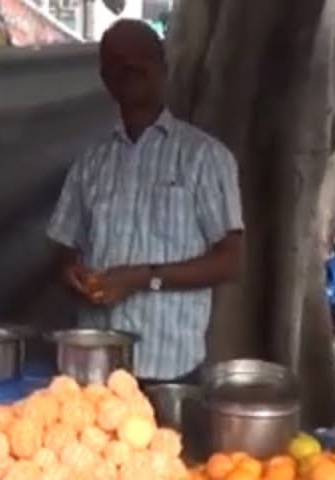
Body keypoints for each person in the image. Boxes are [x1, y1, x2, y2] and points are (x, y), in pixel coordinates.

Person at [48, 19, 243, 383]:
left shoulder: (205, 157)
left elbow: (230, 262)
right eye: (116, 61)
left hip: (170, 372)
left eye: (140, 55)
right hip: (96, 372)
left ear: (163, 66)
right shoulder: (90, 163)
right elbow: (64, 247)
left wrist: (144, 278)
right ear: (106, 79)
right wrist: (71, 272)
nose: (128, 66)